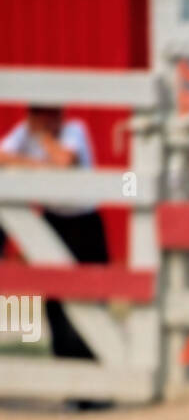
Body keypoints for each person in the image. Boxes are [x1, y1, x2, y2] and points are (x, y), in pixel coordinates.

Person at [0, 105, 109, 359]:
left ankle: (93, 375)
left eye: (54, 114)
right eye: (43, 115)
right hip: (54, 221)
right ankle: (68, 370)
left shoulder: (74, 130)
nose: (52, 119)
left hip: (84, 223)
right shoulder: (24, 132)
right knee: (56, 301)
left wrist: (42, 138)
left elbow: (64, 162)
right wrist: (39, 161)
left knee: (91, 297)